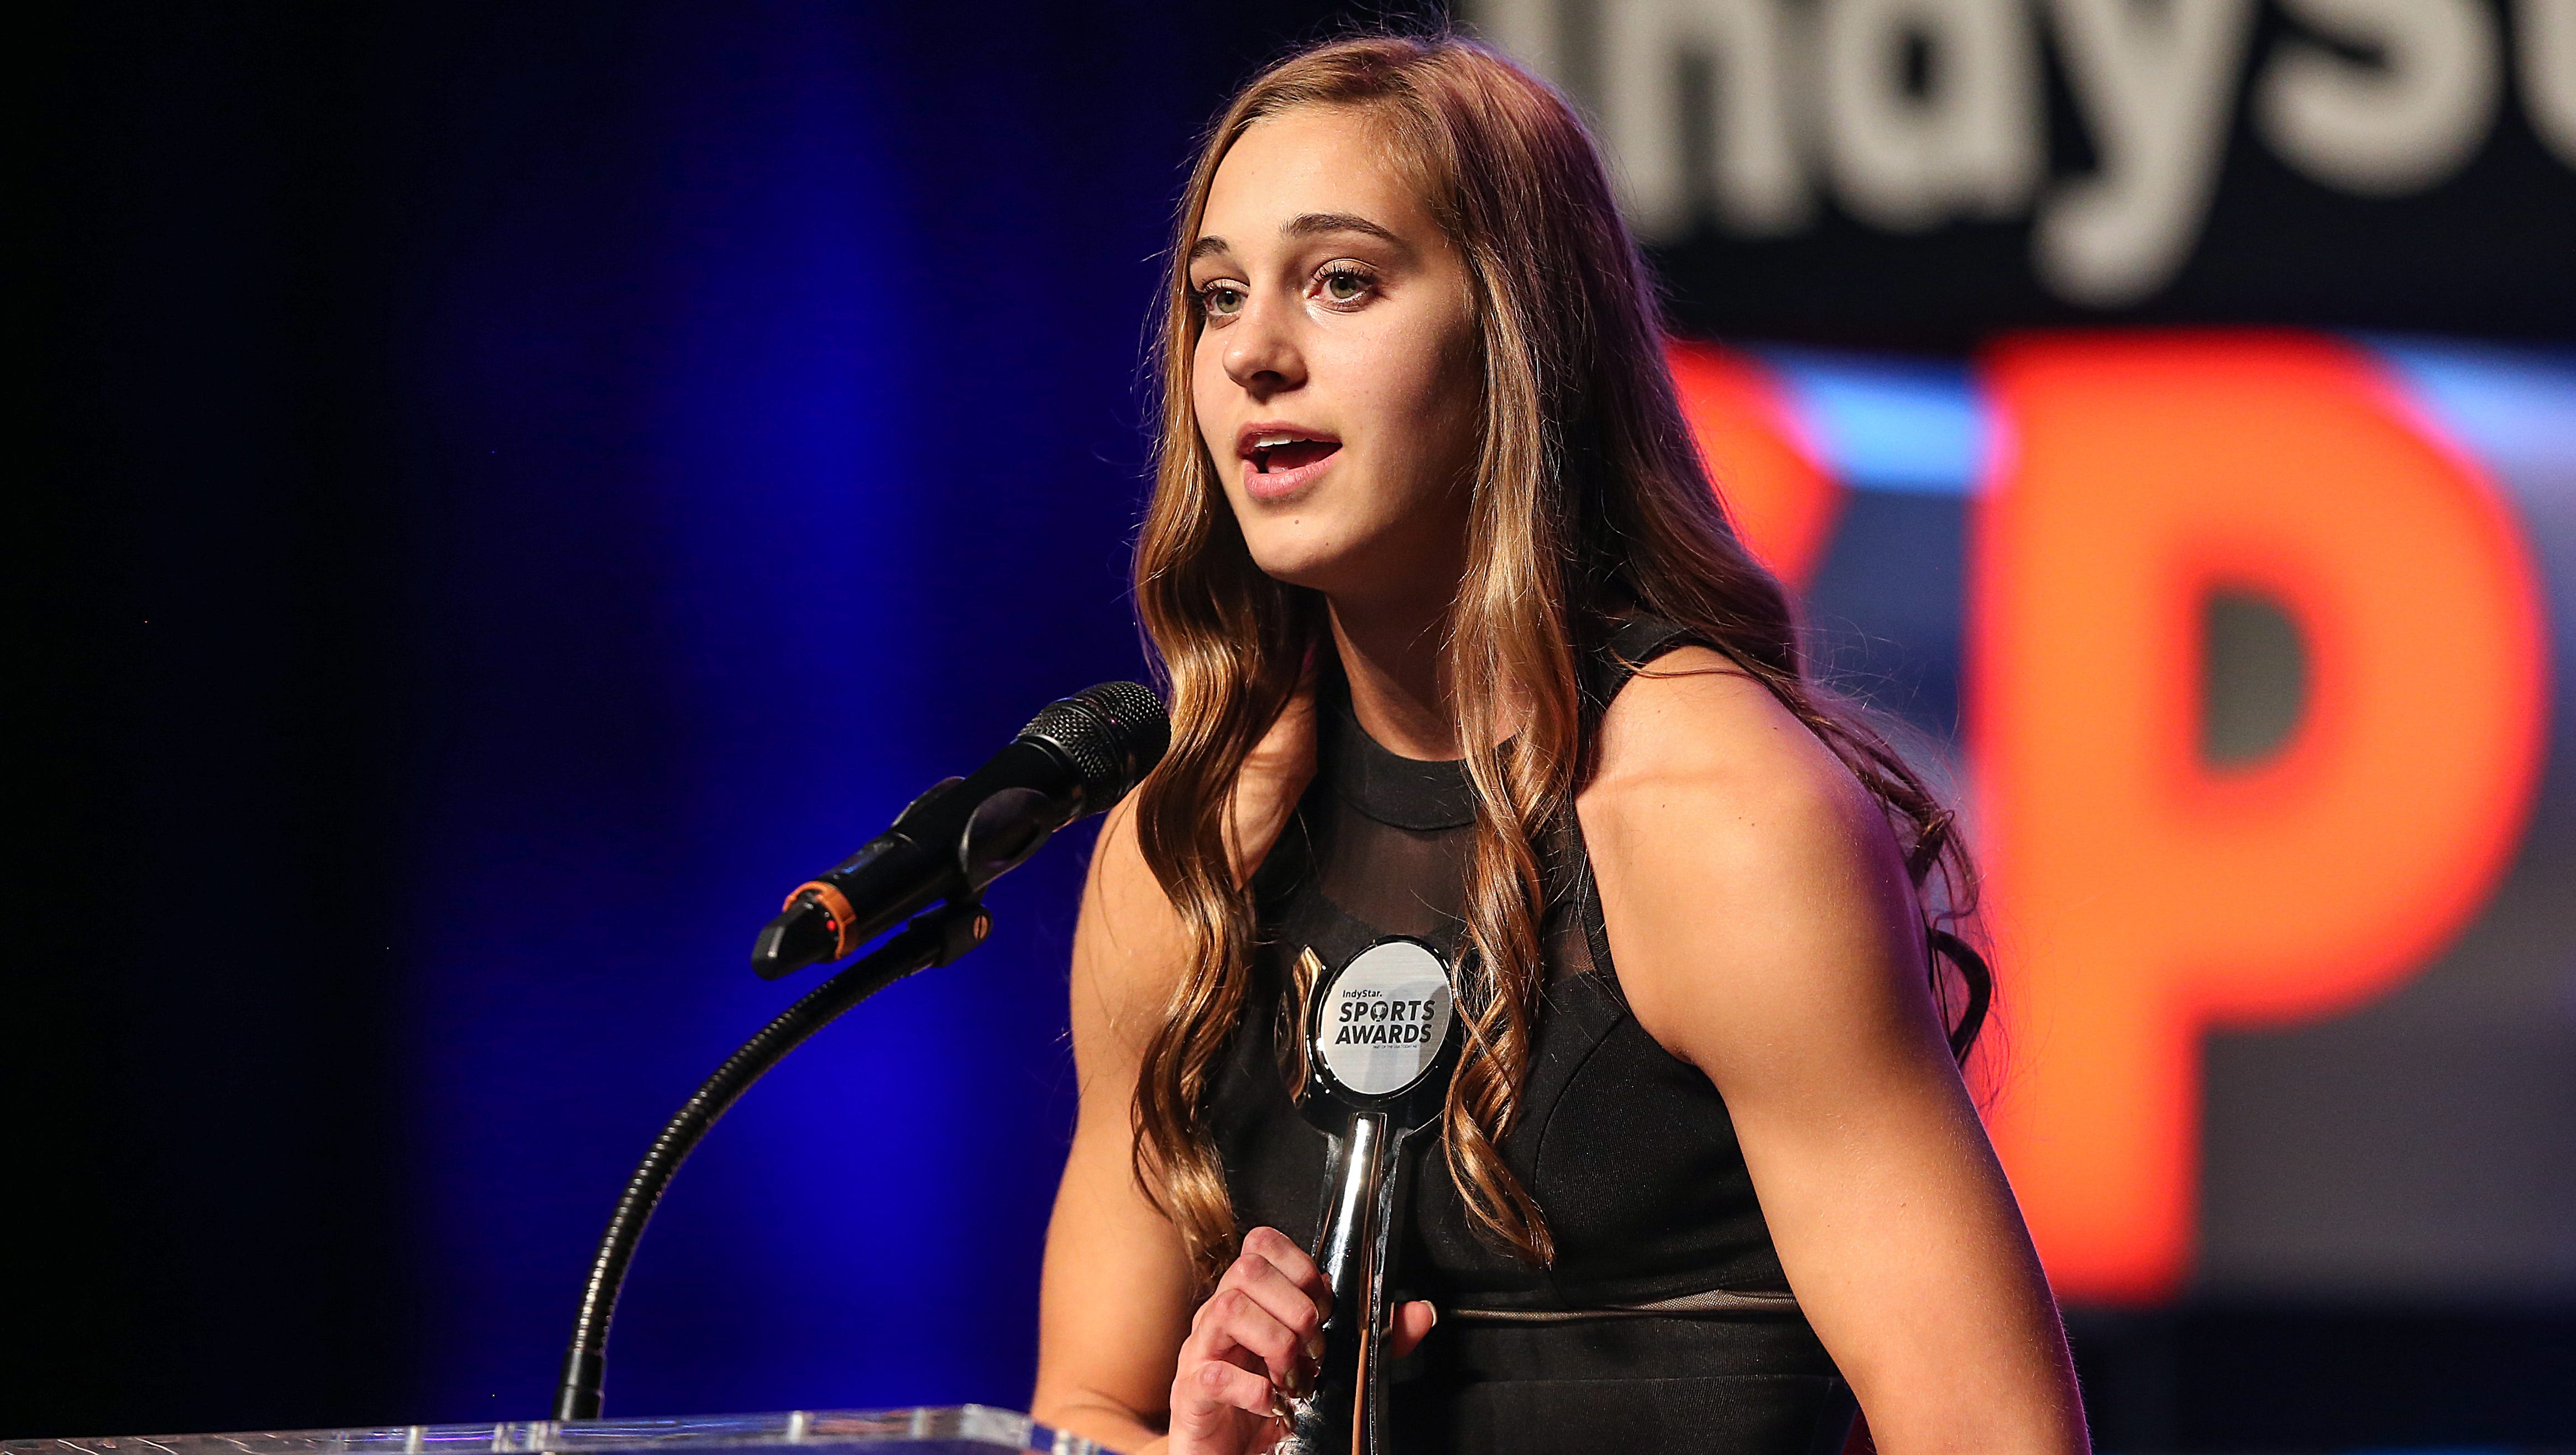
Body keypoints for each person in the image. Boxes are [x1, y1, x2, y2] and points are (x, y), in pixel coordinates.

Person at [1028, 31, 2087, 1455]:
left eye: (1342, 281)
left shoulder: (1718, 815)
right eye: (1218, 299)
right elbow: (1081, 1414)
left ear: (1521, 341)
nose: (1256, 356)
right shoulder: (1194, 850)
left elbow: (1993, 1436)